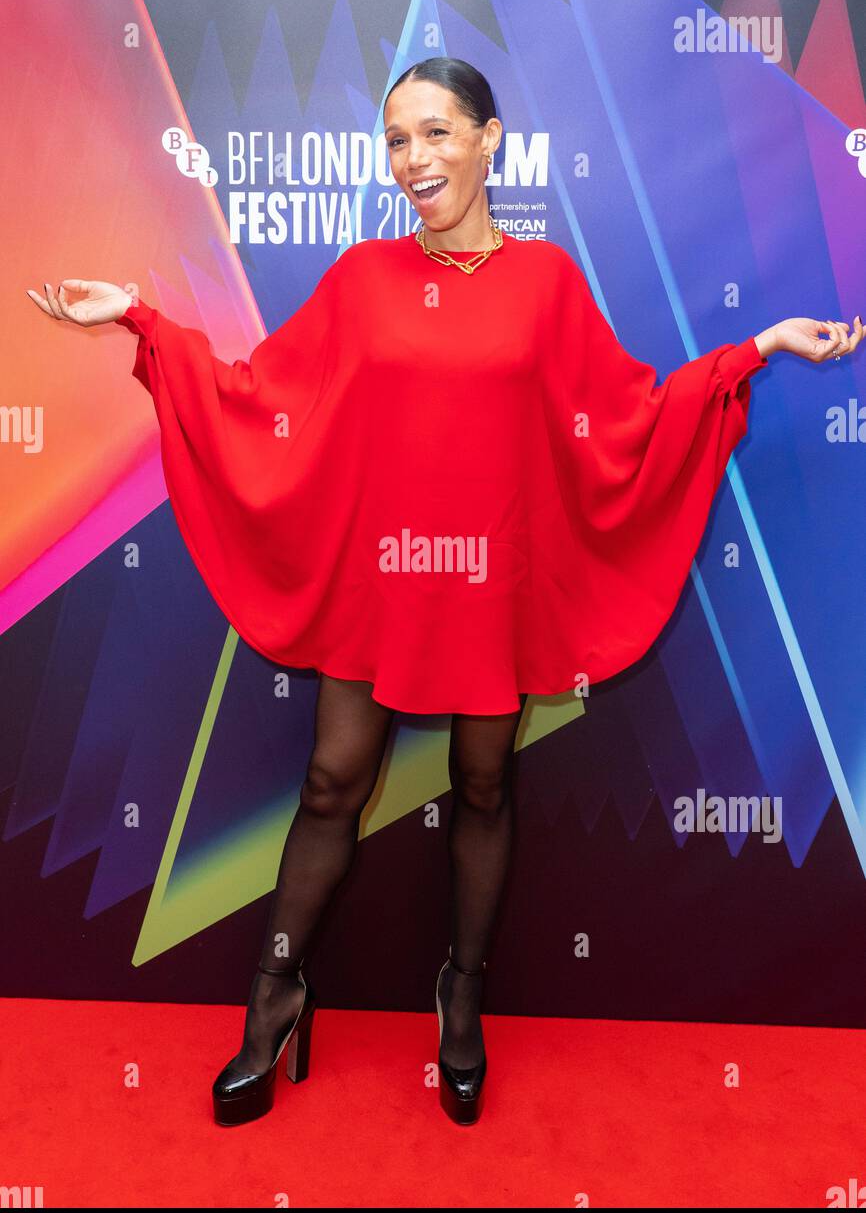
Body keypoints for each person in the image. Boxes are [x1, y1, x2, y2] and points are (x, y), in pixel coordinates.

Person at [26, 57, 862, 1129]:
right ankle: (278, 992)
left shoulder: (547, 282)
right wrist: (139, 316)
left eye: (433, 134)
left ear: (488, 141)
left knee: (480, 784)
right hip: (383, 581)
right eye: (395, 141)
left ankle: (459, 991)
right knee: (332, 781)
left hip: (488, 582)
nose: (412, 160)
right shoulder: (362, 277)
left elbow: (628, 416)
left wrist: (757, 347)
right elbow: (251, 394)